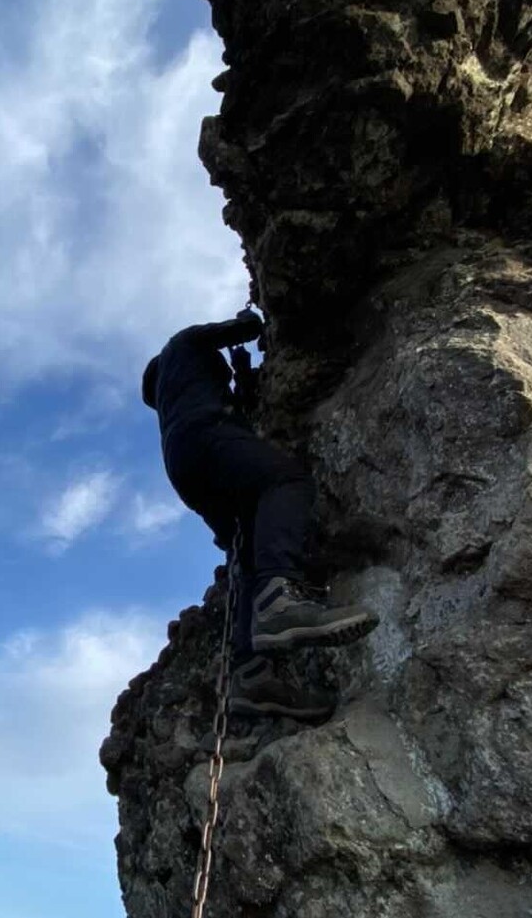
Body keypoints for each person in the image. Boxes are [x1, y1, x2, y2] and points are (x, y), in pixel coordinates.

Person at [142, 308, 378, 722]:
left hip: (184, 467)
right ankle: (278, 599)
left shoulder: (173, 401)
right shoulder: (183, 343)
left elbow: (241, 405)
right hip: (211, 436)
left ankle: (251, 673)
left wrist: (242, 372)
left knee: (246, 552)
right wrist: (249, 321)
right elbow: (245, 329)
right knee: (284, 482)